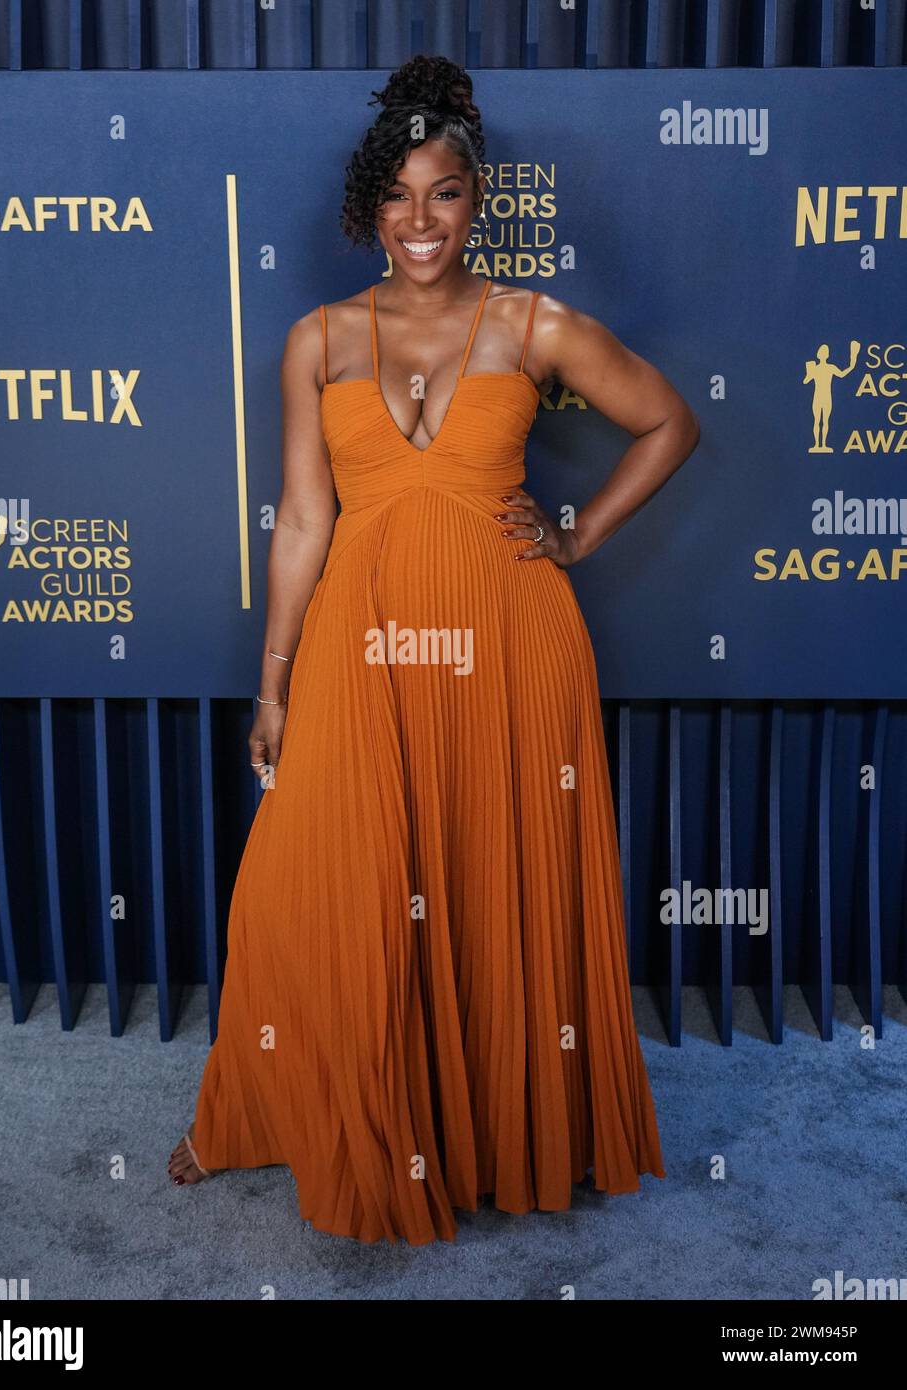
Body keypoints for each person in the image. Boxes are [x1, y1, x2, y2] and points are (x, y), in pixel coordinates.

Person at [169, 54, 699, 1246]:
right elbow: (305, 520)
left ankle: (479, 1135)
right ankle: (253, 1108)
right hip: (360, 646)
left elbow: (671, 419)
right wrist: (276, 683)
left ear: (475, 200)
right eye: (400, 196)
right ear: (370, 206)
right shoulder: (319, 336)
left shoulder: (532, 321)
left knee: (480, 877)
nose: (422, 221)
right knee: (306, 883)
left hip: (510, 643)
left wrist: (575, 534)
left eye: (445, 194)